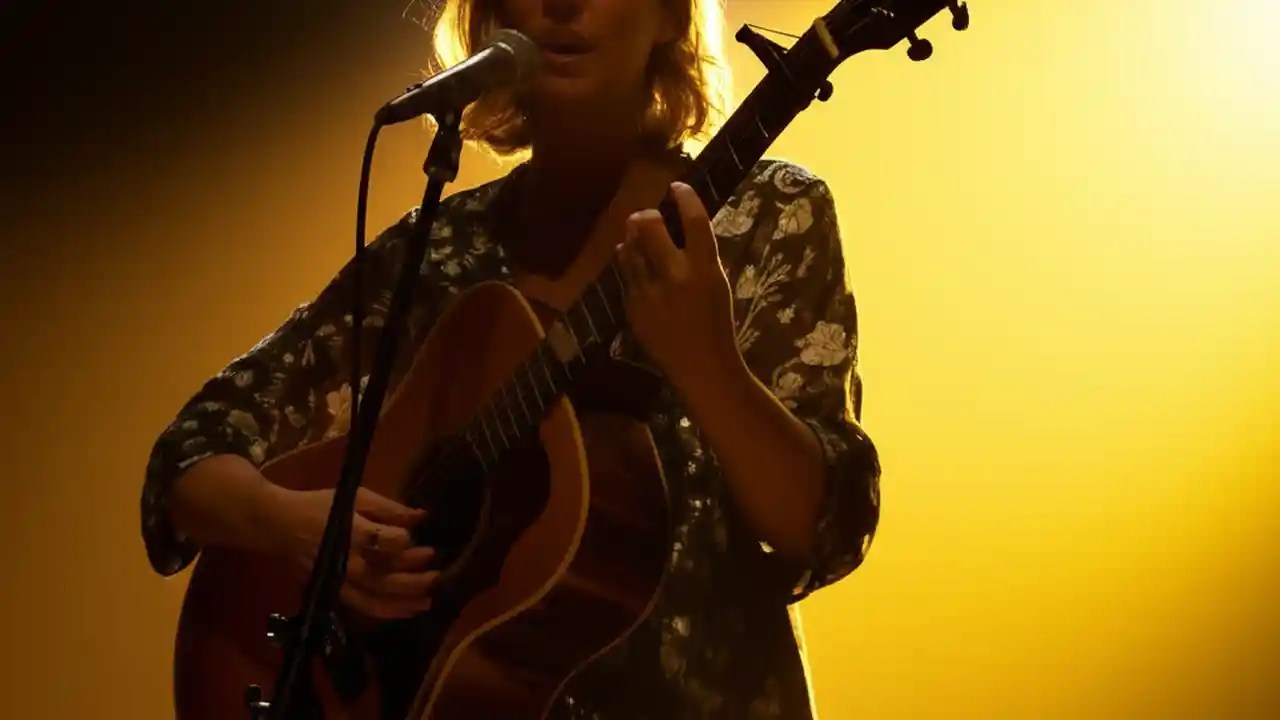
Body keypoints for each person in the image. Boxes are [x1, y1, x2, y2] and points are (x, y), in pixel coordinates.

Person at [141, 0, 881, 717]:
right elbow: (191, 456)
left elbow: (823, 528)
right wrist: (302, 527)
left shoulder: (764, 216)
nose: (563, 4)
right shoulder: (436, 254)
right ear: (495, 18)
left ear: (666, 17)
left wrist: (708, 364)